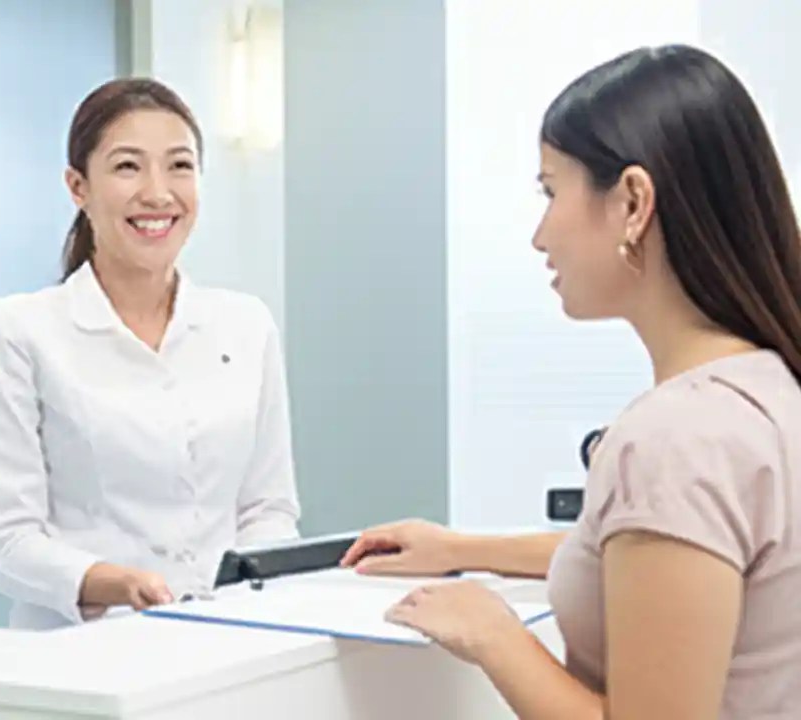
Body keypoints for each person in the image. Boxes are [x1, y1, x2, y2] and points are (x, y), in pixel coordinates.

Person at [342, 45, 801, 719]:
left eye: (551, 191)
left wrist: (494, 636)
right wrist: (461, 549)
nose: (539, 235)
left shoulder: (676, 439)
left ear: (633, 202)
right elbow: (667, 560)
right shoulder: (768, 391)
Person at [0, 78, 301, 630]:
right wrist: (113, 581)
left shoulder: (247, 325)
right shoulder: (23, 329)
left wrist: (254, 595)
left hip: (230, 642)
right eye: (128, 167)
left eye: (179, 166)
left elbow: (268, 509)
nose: (157, 193)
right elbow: (6, 537)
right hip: (82, 650)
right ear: (78, 186)